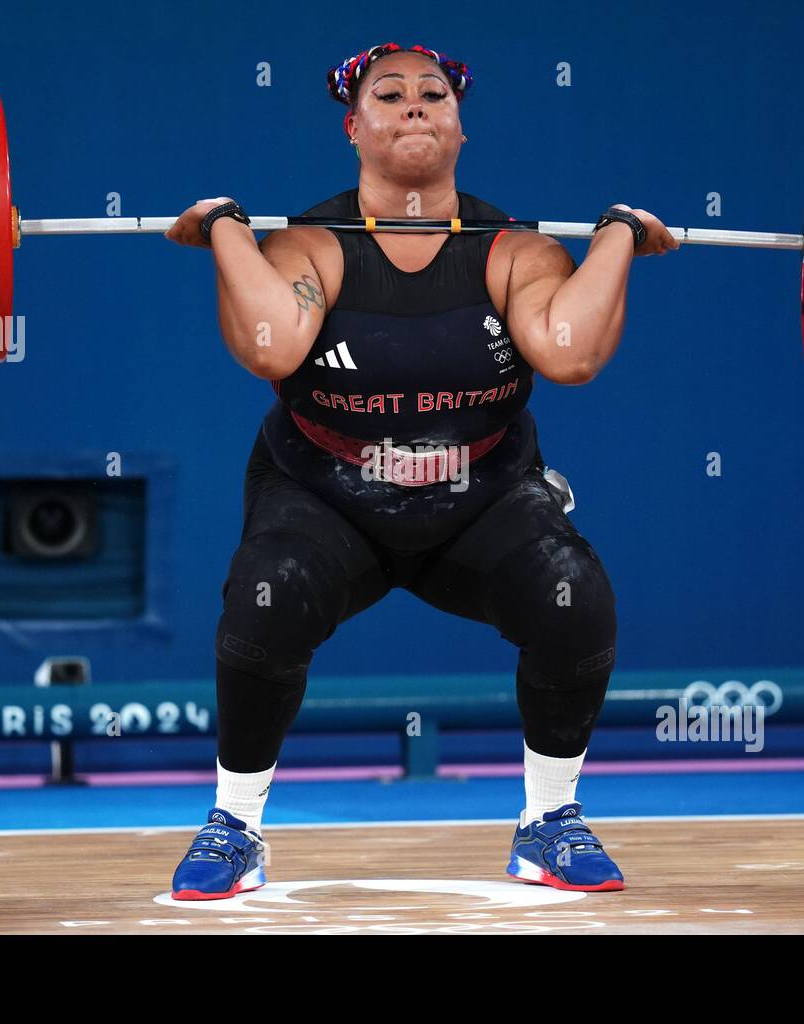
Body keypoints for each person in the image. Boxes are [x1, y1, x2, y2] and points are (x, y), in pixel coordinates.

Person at [164, 41, 678, 899]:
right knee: (268, 592)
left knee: (572, 593)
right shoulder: (312, 244)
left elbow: (572, 355)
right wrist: (225, 226)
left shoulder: (514, 248)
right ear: (354, 126)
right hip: (326, 494)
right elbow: (272, 345)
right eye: (390, 94)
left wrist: (617, 234)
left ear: (460, 128)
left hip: (479, 496)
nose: (413, 107)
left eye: (433, 94)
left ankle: (549, 823)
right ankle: (235, 826)